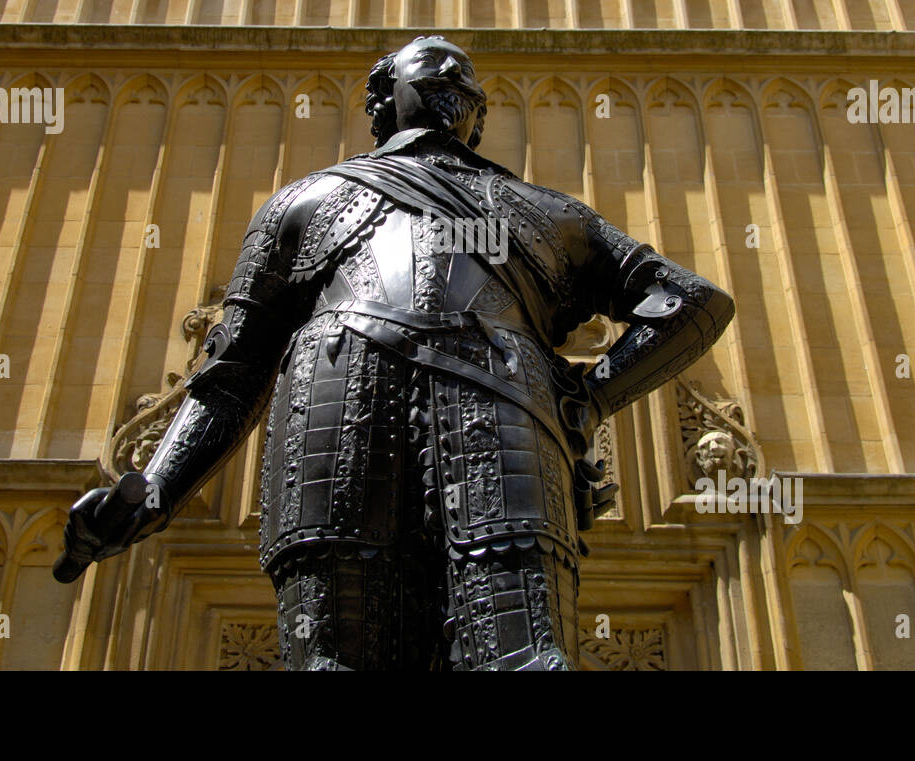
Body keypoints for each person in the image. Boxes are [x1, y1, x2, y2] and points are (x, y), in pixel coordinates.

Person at [58, 35, 735, 670]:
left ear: (475, 113)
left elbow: (694, 302)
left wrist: (586, 398)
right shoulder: (307, 202)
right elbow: (230, 376)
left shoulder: (547, 214)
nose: (449, 73)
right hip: (340, 425)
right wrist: (155, 486)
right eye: (431, 64)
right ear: (383, 100)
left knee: (520, 654)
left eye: (461, 72)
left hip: (494, 431)